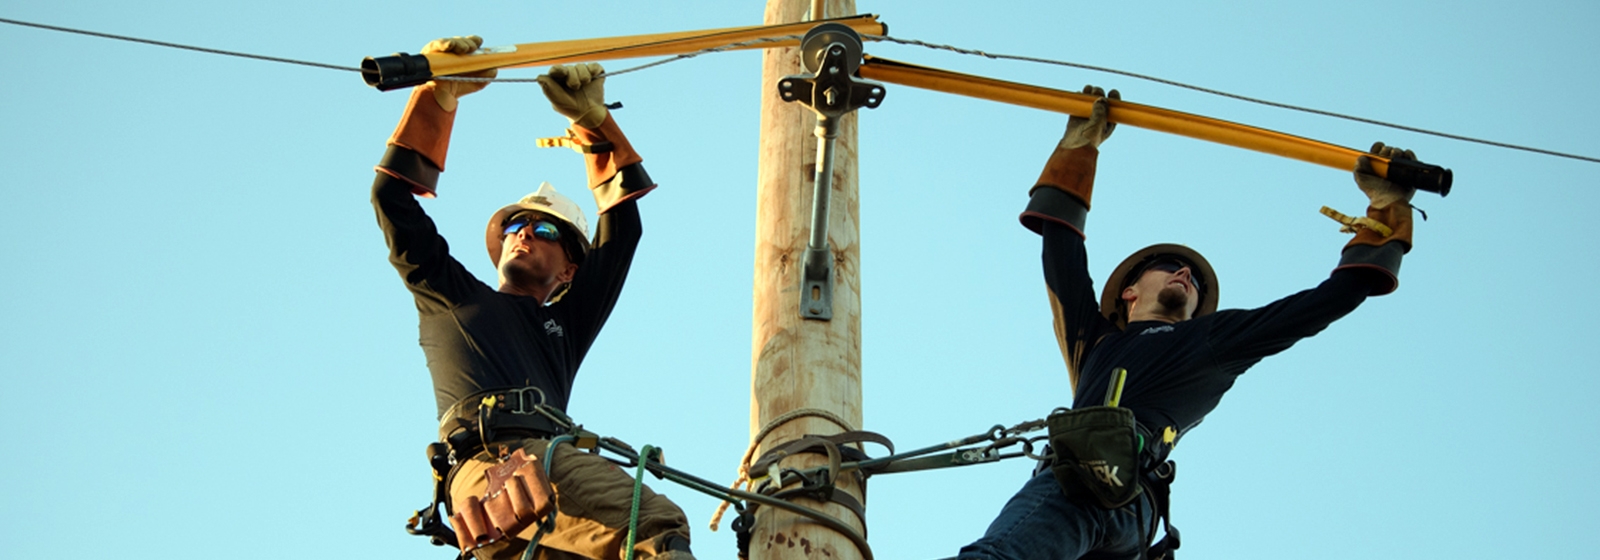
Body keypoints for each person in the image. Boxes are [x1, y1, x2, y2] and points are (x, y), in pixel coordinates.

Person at [957, 86, 1420, 560]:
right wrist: (1078, 150)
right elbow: (1061, 253)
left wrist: (1386, 214)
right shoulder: (1093, 342)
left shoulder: (1212, 342)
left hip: (1113, 494)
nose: (1184, 273)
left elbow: (1328, 301)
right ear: (1129, 293)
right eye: (1169, 267)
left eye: (1194, 279)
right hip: (1098, 494)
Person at [370, 35, 695, 560]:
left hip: (539, 472)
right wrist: (438, 96)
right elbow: (391, 200)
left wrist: (594, 125)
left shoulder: (565, 328)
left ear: (569, 270)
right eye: (516, 226)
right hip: (487, 471)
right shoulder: (451, 296)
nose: (524, 233)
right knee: (653, 524)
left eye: (545, 231)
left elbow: (623, 234)